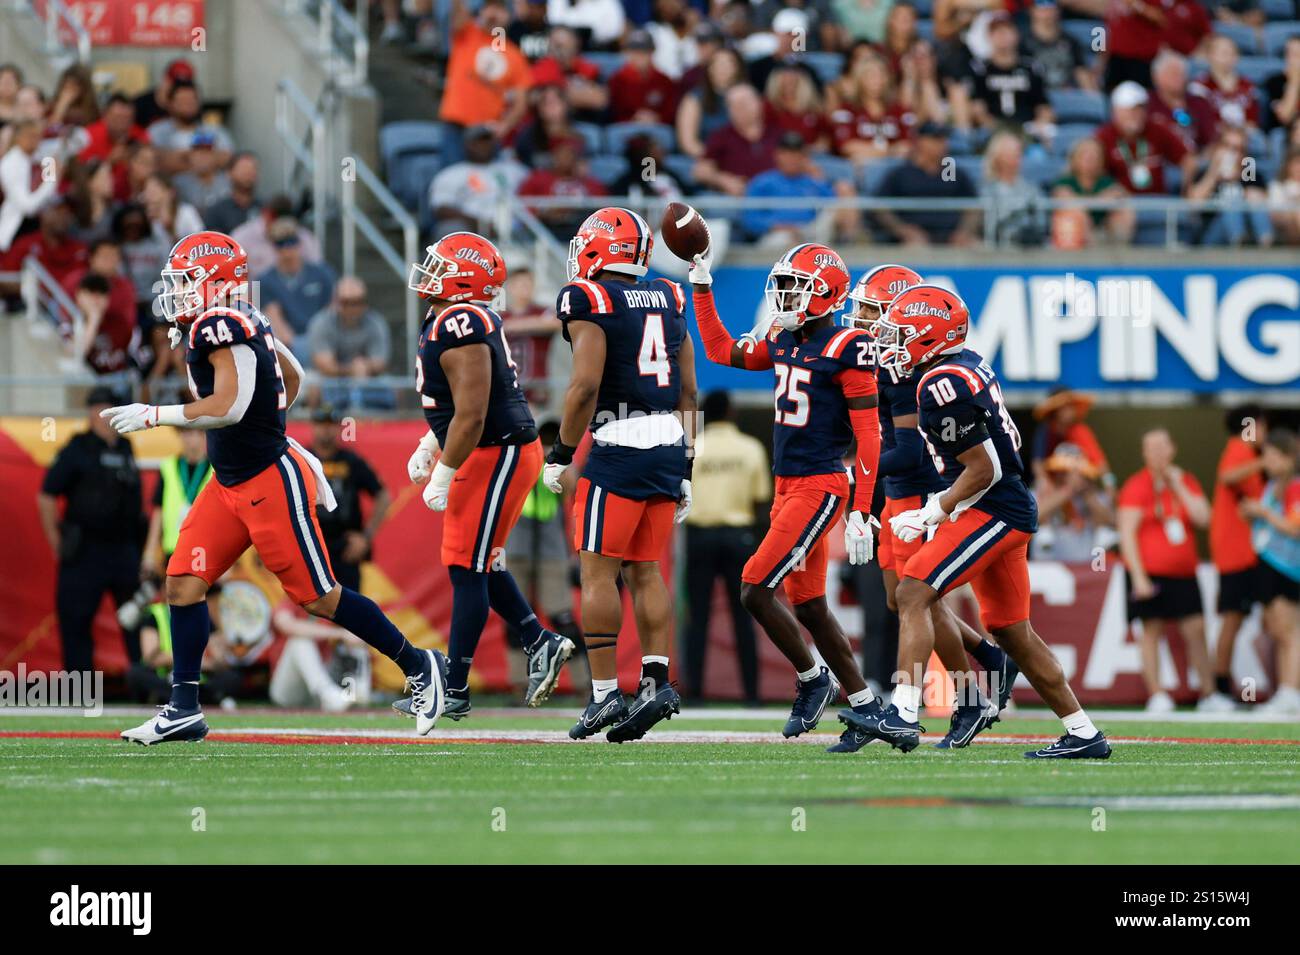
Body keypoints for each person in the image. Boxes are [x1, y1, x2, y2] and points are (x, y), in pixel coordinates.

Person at [100, 230, 448, 743]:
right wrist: (275, 421)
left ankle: (421, 667)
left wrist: (153, 414)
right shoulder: (240, 317)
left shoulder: (220, 323)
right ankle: (184, 708)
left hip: (266, 482)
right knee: (183, 582)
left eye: (183, 281)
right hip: (230, 481)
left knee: (320, 597)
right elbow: (294, 374)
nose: (173, 292)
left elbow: (229, 407)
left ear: (211, 282)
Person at [850, 284, 1110, 758]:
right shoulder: (960, 362)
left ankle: (904, 713)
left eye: (900, 334)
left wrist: (936, 508)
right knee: (1013, 630)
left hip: (992, 506)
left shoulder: (938, 385)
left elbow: (983, 468)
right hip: (1002, 503)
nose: (890, 344)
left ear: (929, 338)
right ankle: (1084, 732)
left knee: (913, 589)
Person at [689, 241, 888, 753]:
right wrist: (703, 288)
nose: (784, 297)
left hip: (820, 485)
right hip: (787, 485)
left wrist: (863, 511)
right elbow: (720, 351)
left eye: (794, 287)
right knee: (811, 607)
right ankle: (868, 708)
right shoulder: (784, 340)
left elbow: (869, 436)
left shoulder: (848, 345)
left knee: (754, 587)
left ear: (825, 295)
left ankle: (813, 678)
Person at [402, 232, 574, 718]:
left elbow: (474, 414)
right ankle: (537, 640)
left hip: (494, 452)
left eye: (440, 265)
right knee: (478, 560)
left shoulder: (461, 320)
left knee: (467, 567)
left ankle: (454, 687)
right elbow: (459, 406)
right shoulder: (452, 317)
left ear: (462, 278)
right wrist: (430, 442)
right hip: (488, 451)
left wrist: (443, 472)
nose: (429, 272)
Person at [541, 207, 696, 742]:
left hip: (619, 443)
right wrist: (689, 461)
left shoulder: (589, 297)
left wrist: (560, 451)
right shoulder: (672, 295)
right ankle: (655, 680)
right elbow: (689, 390)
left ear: (596, 248)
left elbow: (584, 387)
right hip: (669, 440)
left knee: (598, 573)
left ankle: (605, 694)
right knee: (646, 569)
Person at [846, 264, 1016, 746]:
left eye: (872, 313)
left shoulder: (911, 373)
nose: (864, 322)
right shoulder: (887, 361)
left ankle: (961, 698)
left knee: (917, 597)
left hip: (921, 493)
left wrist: (857, 469)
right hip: (899, 497)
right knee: (901, 599)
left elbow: (909, 451)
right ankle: (987, 657)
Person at [37, 386, 147, 673]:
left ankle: (147, 686)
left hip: (124, 548)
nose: (103, 416)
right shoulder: (77, 448)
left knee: (134, 618)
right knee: (76, 619)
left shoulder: (126, 448)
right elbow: (47, 494)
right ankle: (79, 691)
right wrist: (55, 540)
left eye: (109, 409)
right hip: (85, 549)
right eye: (98, 409)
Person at [1117, 428, 1214, 713]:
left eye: (1162, 447)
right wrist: (1138, 576)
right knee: (1150, 630)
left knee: (1196, 629)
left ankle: (1208, 694)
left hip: (1184, 573)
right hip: (1149, 572)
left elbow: (1204, 518)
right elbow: (1127, 533)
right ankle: (1157, 694)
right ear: (1144, 453)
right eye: (1151, 448)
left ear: (1172, 449)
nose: (1157, 453)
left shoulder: (1186, 481)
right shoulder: (1136, 486)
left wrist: (1178, 485)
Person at [682, 391, 771, 704]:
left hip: (699, 537)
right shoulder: (750, 448)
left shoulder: (693, 448)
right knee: (744, 617)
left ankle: (693, 693)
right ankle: (752, 694)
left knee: (697, 617)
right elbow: (762, 503)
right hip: (739, 538)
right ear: (731, 413)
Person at [1209, 405, 1267, 708]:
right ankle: (1218, 689)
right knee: (1232, 619)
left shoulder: (1247, 455)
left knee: (1258, 618)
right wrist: (1265, 462)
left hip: (1244, 553)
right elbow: (1227, 475)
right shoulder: (1239, 449)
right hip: (1236, 554)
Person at [1240, 429, 1300, 715]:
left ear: (1289, 458)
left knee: (1288, 632)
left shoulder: (1294, 487)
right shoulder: (1272, 486)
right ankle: (1286, 690)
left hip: (1286, 567)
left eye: (1275, 456)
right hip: (1268, 563)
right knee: (1276, 630)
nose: (1268, 462)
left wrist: (1263, 513)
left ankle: (1289, 692)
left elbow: (1294, 527)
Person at [309, 405, 391, 595]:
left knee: (350, 608)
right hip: (312, 544)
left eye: (330, 424)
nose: (326, 429)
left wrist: (366, 538)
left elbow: (383, 496)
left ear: (338, 427)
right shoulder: (303, 459)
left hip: (345, 547)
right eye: (321, 424)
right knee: (309, 605)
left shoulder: (351, 461)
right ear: (313, 426)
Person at [875, 122, 981, 245]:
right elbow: (879, 207)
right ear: (920, 141)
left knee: (978, 248)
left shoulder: (954, 173)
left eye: (944, 139)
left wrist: (964, 232)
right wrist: (903, 231)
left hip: (952, 237)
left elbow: (974, 207)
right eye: (936, 139)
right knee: (913, 249)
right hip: (913, 239)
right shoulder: (901, 173)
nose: (943, 144)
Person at [439, 0, 533, 139]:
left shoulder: (516, 56)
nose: (493, 13)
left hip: (486, 132)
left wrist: (505, 126)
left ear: (509, 16)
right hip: (455, 123)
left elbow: (521, 103)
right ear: (481, 11)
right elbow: (458, 10)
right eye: (489, 7)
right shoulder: (466, 33)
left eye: (500, 9)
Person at [306, 277, 392, 408]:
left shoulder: (375, 322)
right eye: (347, 302)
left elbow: (381, 362)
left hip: (367, 375)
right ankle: (319, 425)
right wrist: (352, 369)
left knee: (394, 387)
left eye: (358, 302)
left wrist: (365, 366)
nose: (353, 307)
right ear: (337, 302)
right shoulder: (321, 322)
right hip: (330, 378)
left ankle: (388, 426)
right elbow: (325, 366)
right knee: (313, 385)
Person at [1096, 82, 1195, 196]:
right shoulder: (1103, 136)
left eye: (1141, 109)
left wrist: (1185, 192)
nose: (1137, 114)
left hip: (1157, 202)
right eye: (1131, 110)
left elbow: (1188, 160)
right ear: (1116, 111)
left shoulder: (1157, 129)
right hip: (1121, 206)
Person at [426, 125, 526, 238]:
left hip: (517, 228)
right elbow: (441, 209)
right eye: (477, 142)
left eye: (486, 141)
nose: (482, 146)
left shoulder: (514, 169)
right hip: (474, 232)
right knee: (451, 228)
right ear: (467, 145)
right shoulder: (452, 174)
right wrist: (480, 224)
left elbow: (537, 194)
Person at [143, 429, 213, 582]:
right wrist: (150, 550)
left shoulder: (217, 470)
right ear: (179, 435)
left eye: (199, 434)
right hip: (175, 549)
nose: (193, 440)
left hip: (207, 551)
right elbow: (158, 511)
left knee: (207, 601)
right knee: (176, 599)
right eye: (188, 433)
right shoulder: (168, 467)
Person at [257, 218, 337, 348]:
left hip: (323, 340)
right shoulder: (264, 280)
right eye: (280, 244)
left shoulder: (322, 273)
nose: (287, 250)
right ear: (273, 247)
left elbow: (331, 310)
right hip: (290, 343)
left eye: (291, 242)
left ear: (299, 243)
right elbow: (276, 321)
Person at [0, 117, 59, 251]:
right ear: (18, 137)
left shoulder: (38, 159)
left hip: (39, 224)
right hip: (18, 229)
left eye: (38, 136)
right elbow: (27, 206)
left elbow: (51, 196)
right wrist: (51, 177)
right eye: (31, 136)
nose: (35, 141)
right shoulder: (11, 163)